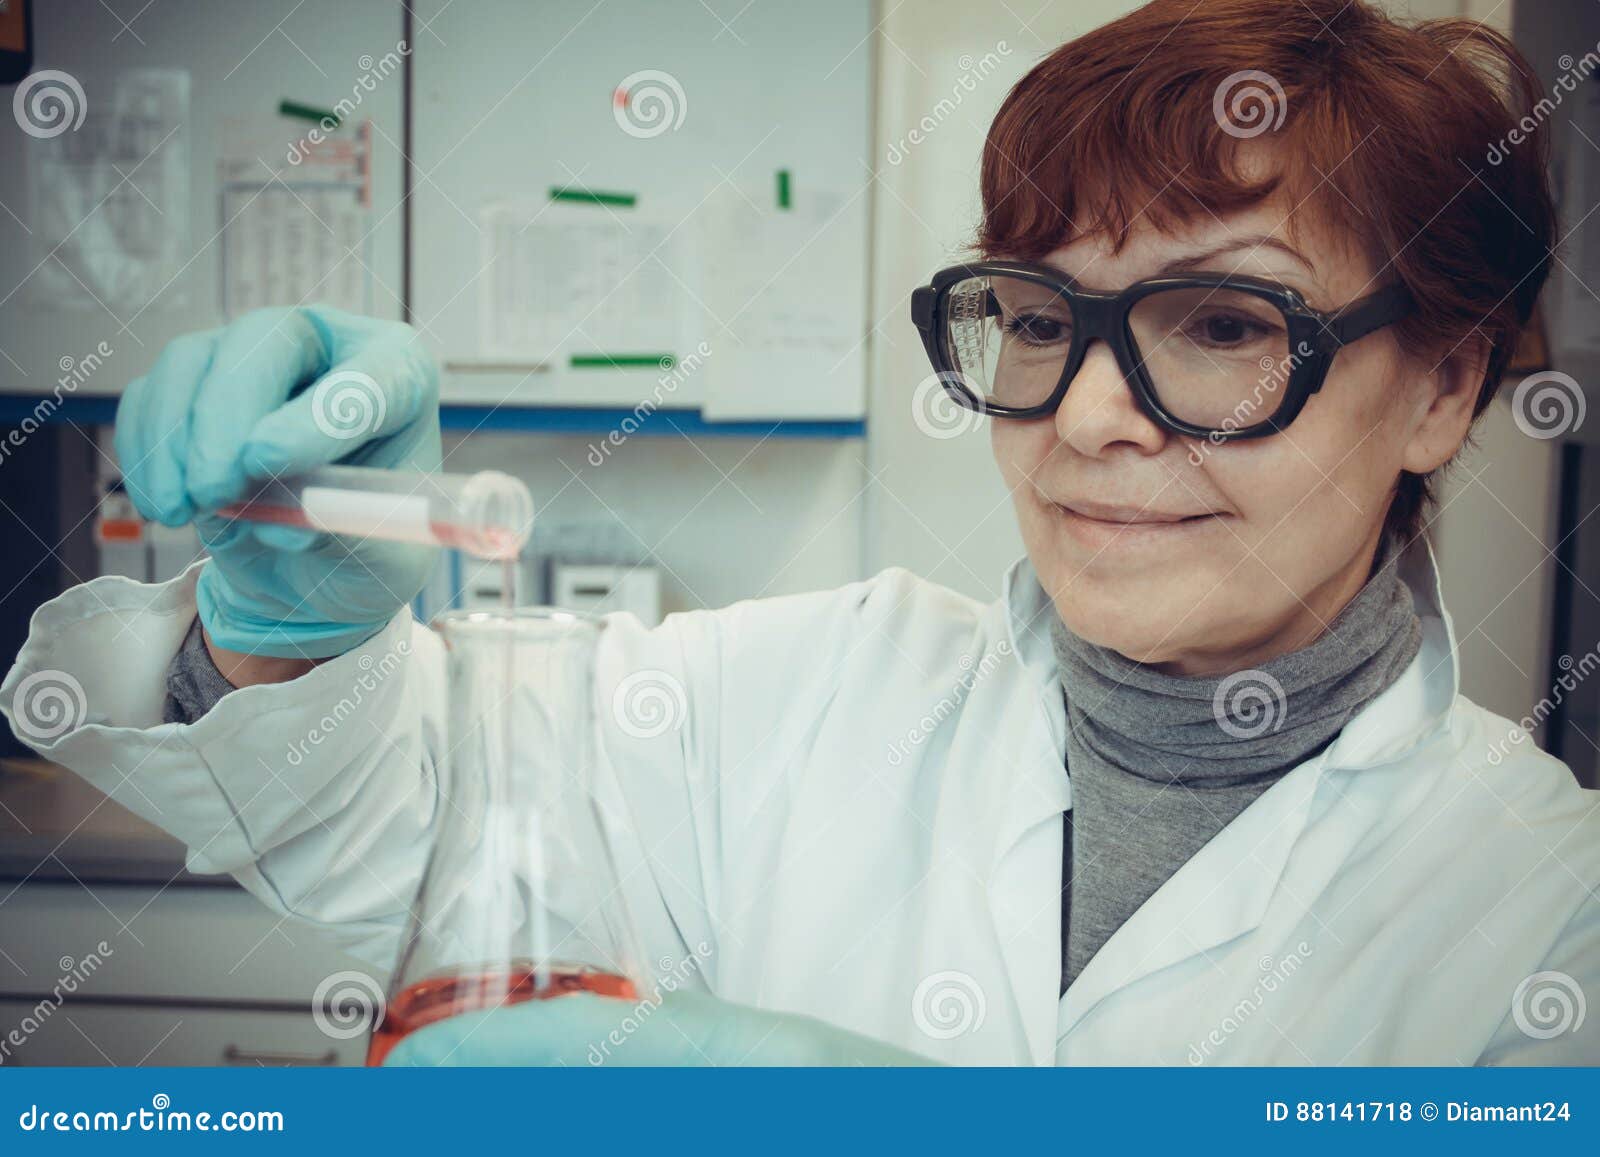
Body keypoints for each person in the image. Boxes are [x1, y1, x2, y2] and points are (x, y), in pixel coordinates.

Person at [5, 0, 1598, 1066]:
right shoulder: (805, 695)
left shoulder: (1547, 915)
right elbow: (397, 826)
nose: (1091, 415)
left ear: (1446, 384)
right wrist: (289, 635)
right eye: (1042, 317)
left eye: (1226, 325)